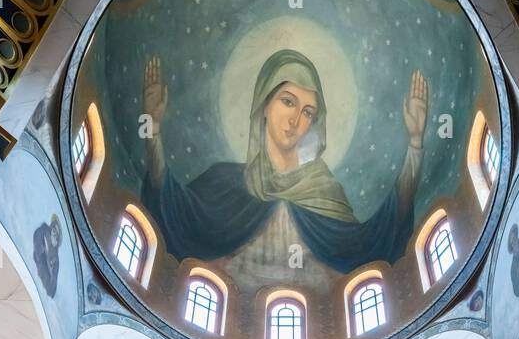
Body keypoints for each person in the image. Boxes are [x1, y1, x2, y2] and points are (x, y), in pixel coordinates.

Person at [141, 50, 428, 294]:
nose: (295, 120)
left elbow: (373, 242)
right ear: (265, 104)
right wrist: (153, 130)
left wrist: (415, 144)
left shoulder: (324, 189)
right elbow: (171, 208)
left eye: (307, 112)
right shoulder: (223, 180)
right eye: (288, 101)